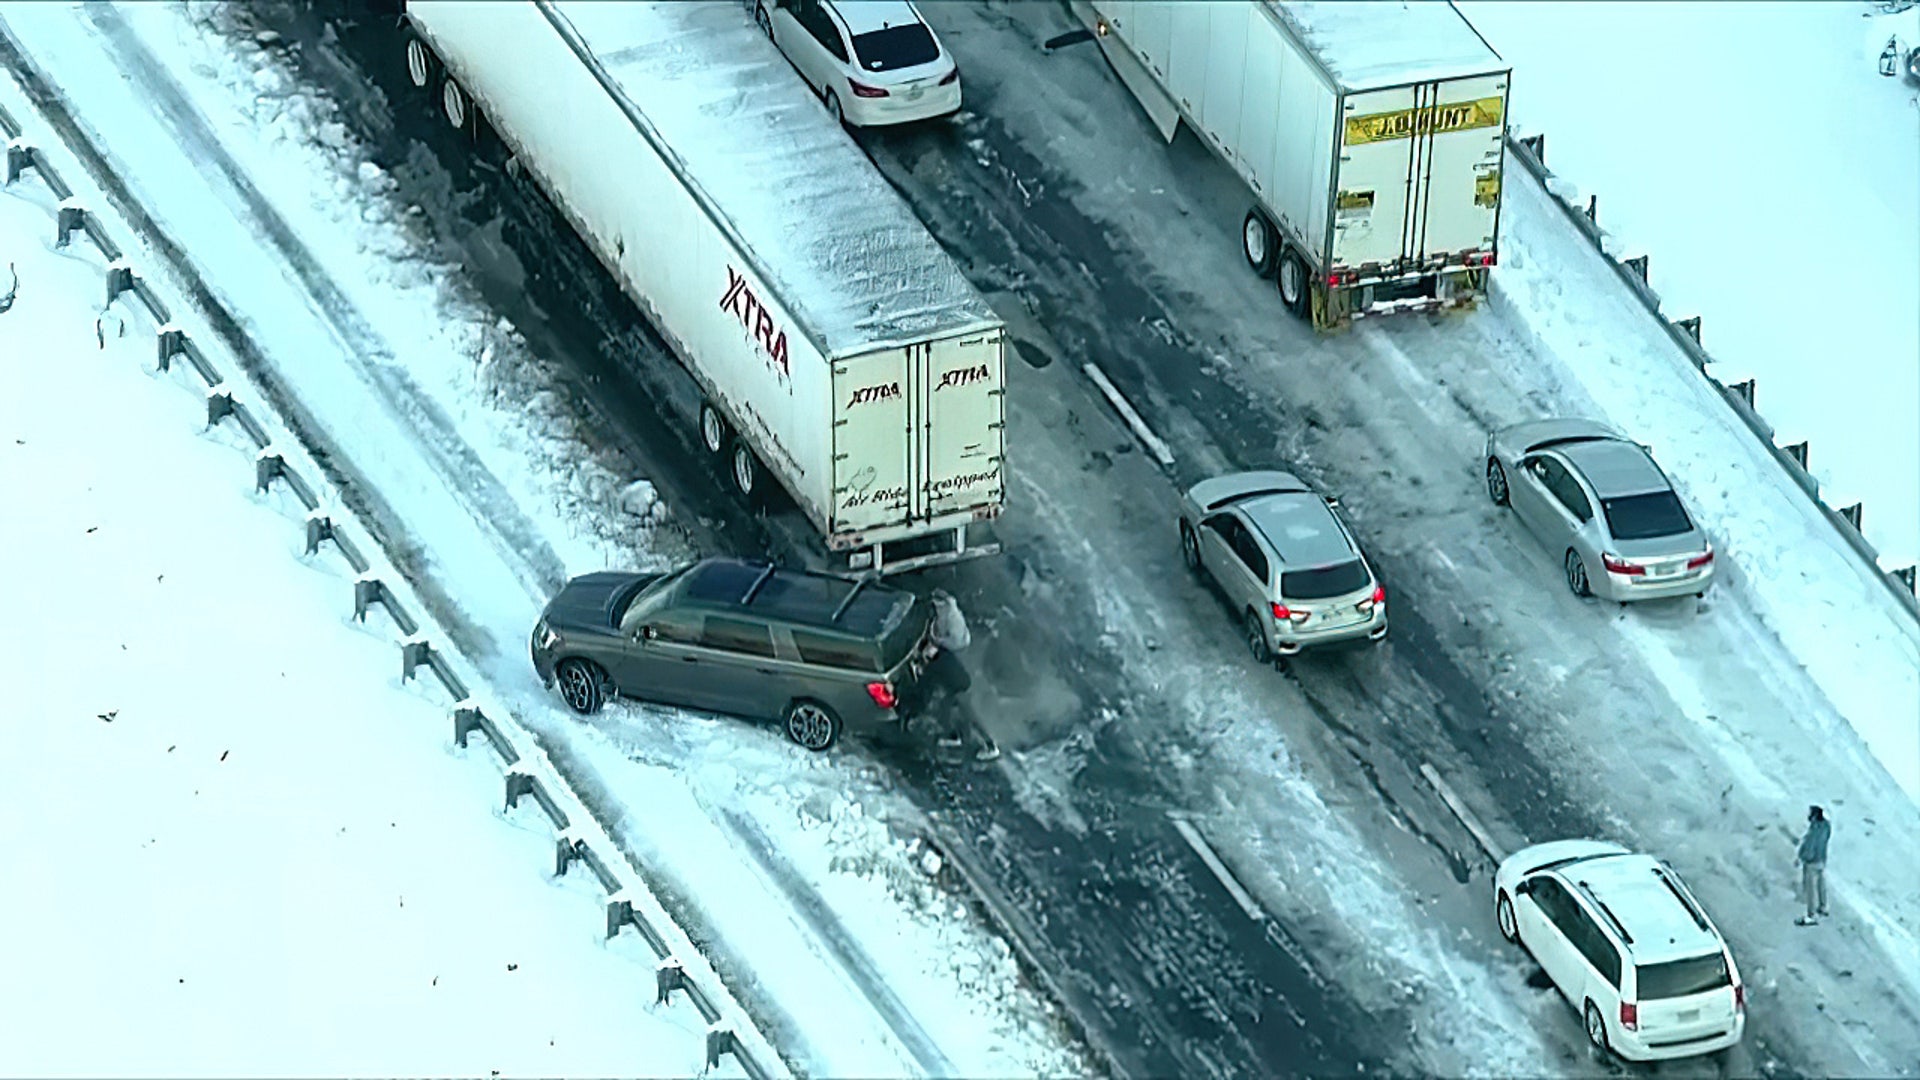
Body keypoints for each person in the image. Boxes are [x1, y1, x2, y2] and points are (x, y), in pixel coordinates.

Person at [923, 588, 998, 761]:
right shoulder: (945, 655)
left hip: (961, 688)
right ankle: (953, 736)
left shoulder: (950, 619)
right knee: (946, 710)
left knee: (971, 718)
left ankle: (990, 745)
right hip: (959, 685)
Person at [1794, 805, 1832, 926]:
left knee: (1810, 888)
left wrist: (1802, 857)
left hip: (1812, 861)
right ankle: (1823, 907)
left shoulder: (1814, 828)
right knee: (1821, 885)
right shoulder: (1826, 826)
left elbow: (1810, 845)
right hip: (1822, 859)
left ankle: (1811, 915)